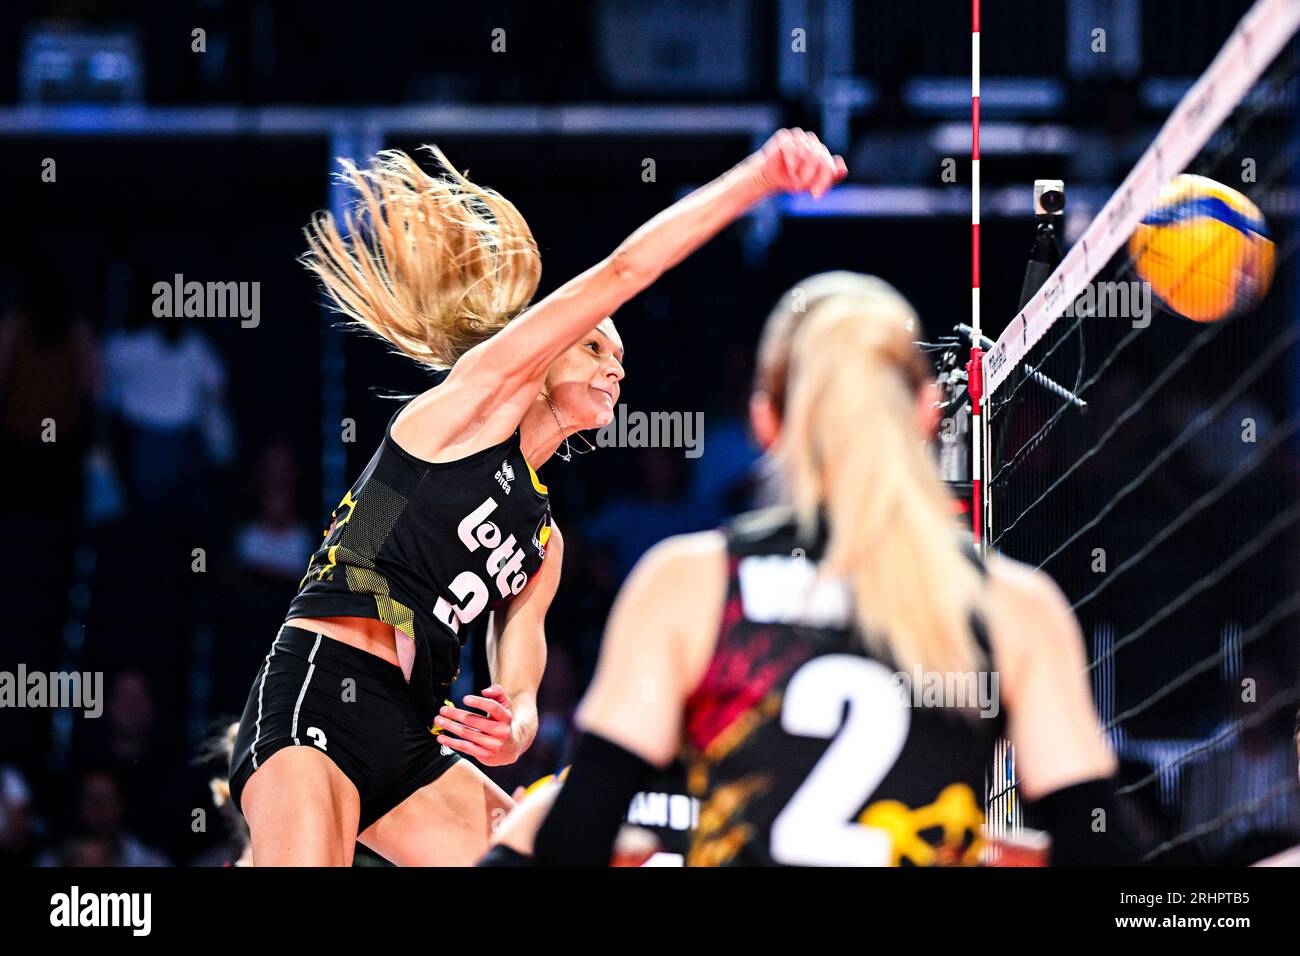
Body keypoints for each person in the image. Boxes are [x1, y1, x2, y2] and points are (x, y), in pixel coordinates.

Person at [228, 131, 847, 865]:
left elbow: (519, 680)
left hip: (409, 740)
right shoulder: (466, 409)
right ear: (540, 355)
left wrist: (515, 722)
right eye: (593, 346)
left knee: (553, 853)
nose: (614, 367)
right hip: (319, 694)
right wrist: (758, 177)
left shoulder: (542, 541)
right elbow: (627, 269)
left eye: (619, 358)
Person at [483, 272, 1133, 866]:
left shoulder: (690, 585)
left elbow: (574, 841)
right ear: (928, 411)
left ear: (764, 421)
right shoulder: (1010, 604)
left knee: (529, 823)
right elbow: (1101, 850)